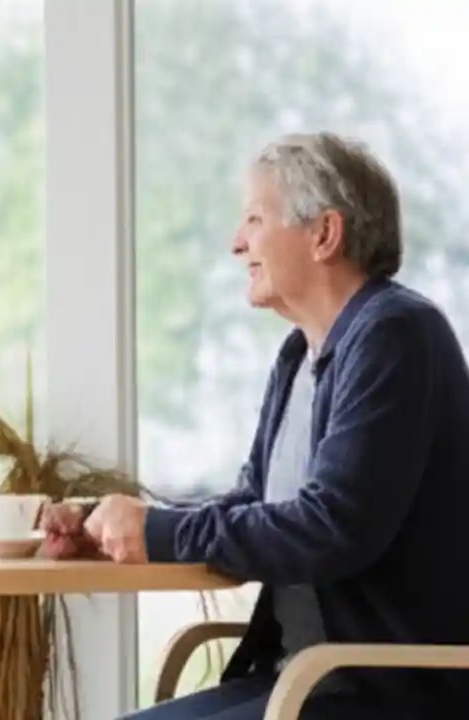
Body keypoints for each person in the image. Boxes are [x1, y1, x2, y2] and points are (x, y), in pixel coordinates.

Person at [44, 132, 469, 719]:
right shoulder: (300, 354)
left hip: (382, 692)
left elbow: (332, 529)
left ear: (325, 234)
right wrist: (107, 523)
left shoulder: (397, 336)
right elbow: (252, 501)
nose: (236, 243)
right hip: (301, 679)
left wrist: (158, 532)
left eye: (253, 218)